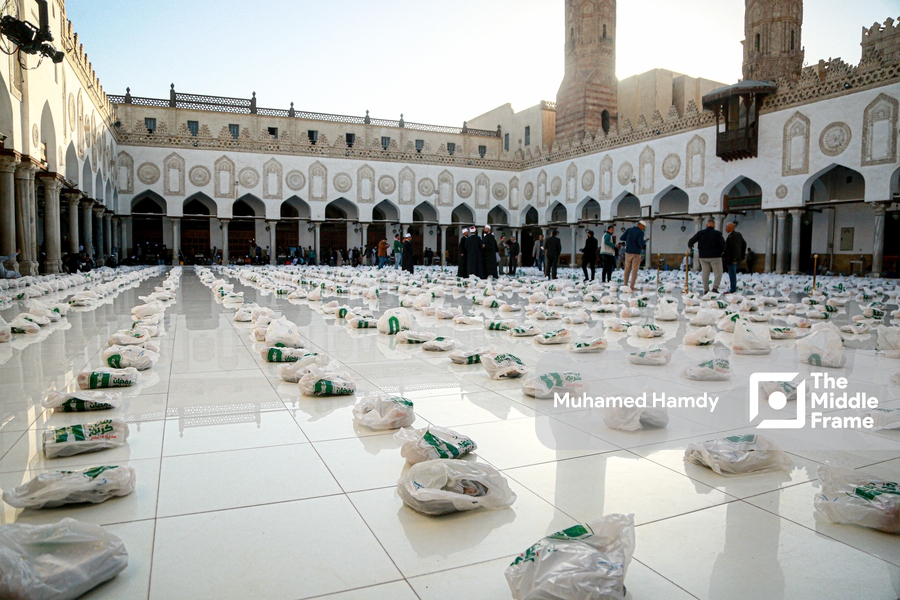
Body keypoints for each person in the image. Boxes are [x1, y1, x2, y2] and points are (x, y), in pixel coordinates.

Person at [688, 219, 726, 294]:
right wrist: (721, 252)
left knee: (705, 273)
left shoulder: (700, 233)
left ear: (706, 225)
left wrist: (690, 246)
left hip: (703, 256)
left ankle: (706, 289)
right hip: (715, 256)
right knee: (718, 273)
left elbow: (691, 241)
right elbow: (724, 245)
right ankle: (715, 288)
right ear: (714, 226)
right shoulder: (718, 234)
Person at [620, 220, 647, 288]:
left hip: (628, 252)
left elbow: (621, 238)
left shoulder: (629, 230)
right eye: (644, 227)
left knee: (627, 268)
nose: (644, 228)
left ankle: (625, 284)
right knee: (634, 270)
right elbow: (640, 243)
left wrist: (629, 239)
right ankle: (632, 286)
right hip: (636, 253)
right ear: (641, 225)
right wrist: (645, 241)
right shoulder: (641, 233)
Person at [723, 222, 747, 293]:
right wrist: (741, 255)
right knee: (733, 273)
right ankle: (733, 287)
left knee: (732, 274)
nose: (725, 229)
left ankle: (733, 288)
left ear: (730, 228)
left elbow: (734, 248)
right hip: (736, 258)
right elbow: (744, 244)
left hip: (732, 259)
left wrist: (734, 258)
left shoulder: (732, 236)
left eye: (726, 227)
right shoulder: (738, 235)